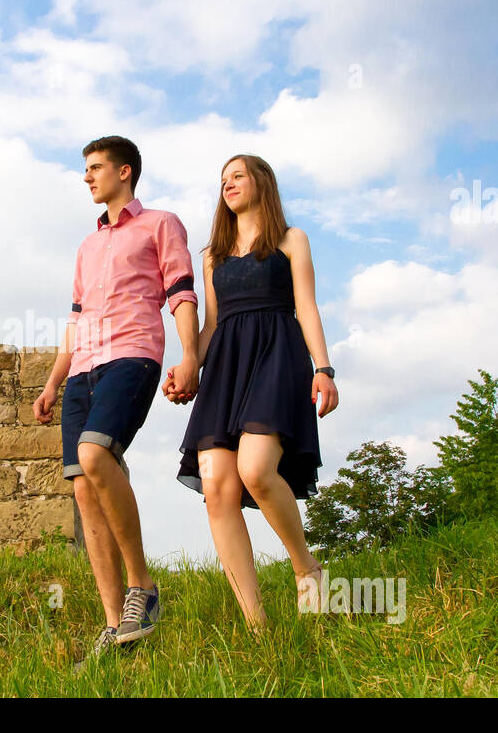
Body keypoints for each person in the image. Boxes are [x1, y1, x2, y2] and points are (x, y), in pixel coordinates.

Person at [33, 135, 200, 670]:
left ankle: (143, 588)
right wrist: (53, 382)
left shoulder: (161, 224)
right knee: (83, 490)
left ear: (125, 171)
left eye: (96, 167)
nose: (87, 176)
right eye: (85, 168)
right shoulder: (86, 246)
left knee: (96, 454)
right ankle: (115, 625)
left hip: (133, 355)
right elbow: (76, 319)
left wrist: (190, 357)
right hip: (81, 367)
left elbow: (179, 293)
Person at [163, 153, 339, 629]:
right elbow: (213, 323)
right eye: (223, 179)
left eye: (238, 176)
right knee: (218, 487)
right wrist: (188, 365)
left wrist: (324, 368)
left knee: (256, 469)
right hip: (225, 366)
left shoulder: (291, 239)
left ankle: (307, 568)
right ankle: (257, 625)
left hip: (277, 356)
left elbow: (306, 306)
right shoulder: (213, 255)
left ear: (262, 181)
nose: (229, 184)